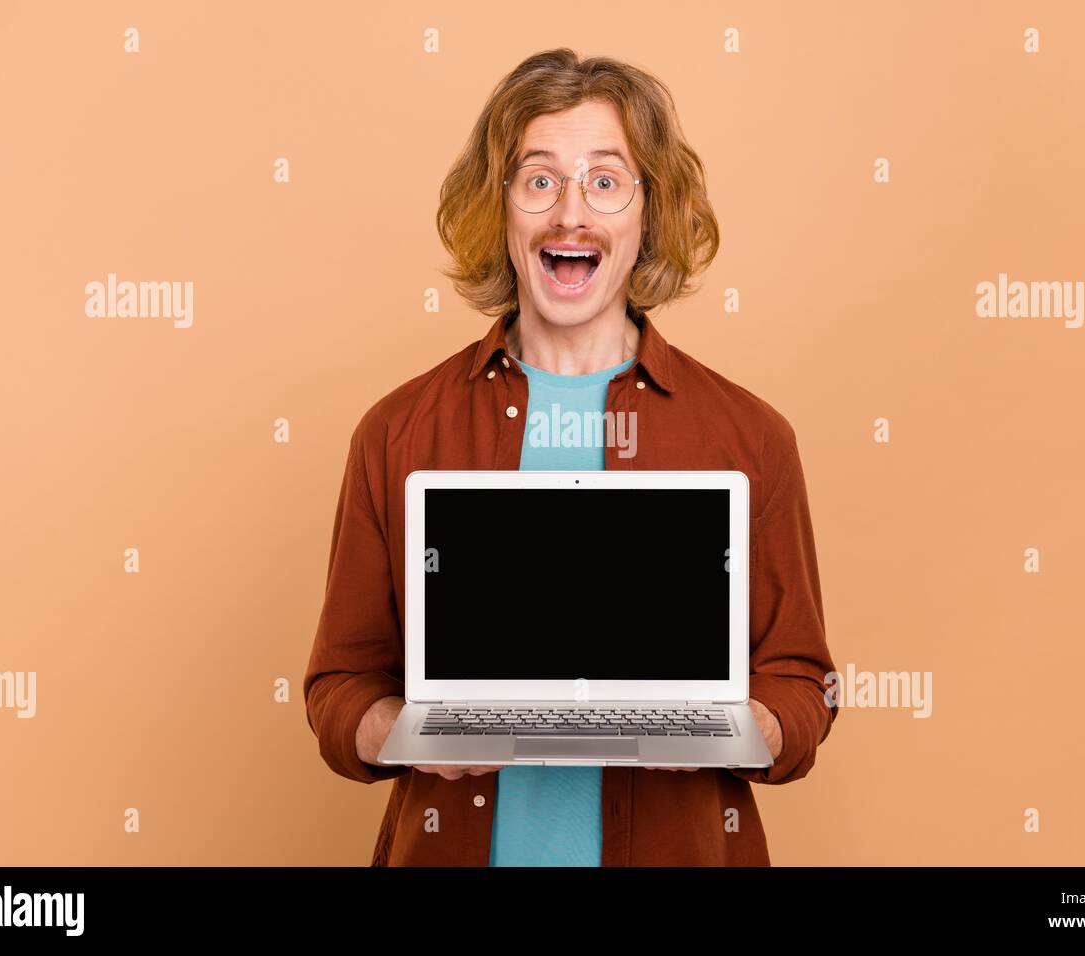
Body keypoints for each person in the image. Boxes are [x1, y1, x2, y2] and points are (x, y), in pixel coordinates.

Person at [304, 48, 837, 866]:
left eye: (606, 180)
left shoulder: (751, 437)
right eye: (540, 180)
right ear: (503, 209)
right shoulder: (398, 432)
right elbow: (339, 688)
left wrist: (736, 729)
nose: (570, 216)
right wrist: (406, 731)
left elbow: (801, 682)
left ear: (647, 213)